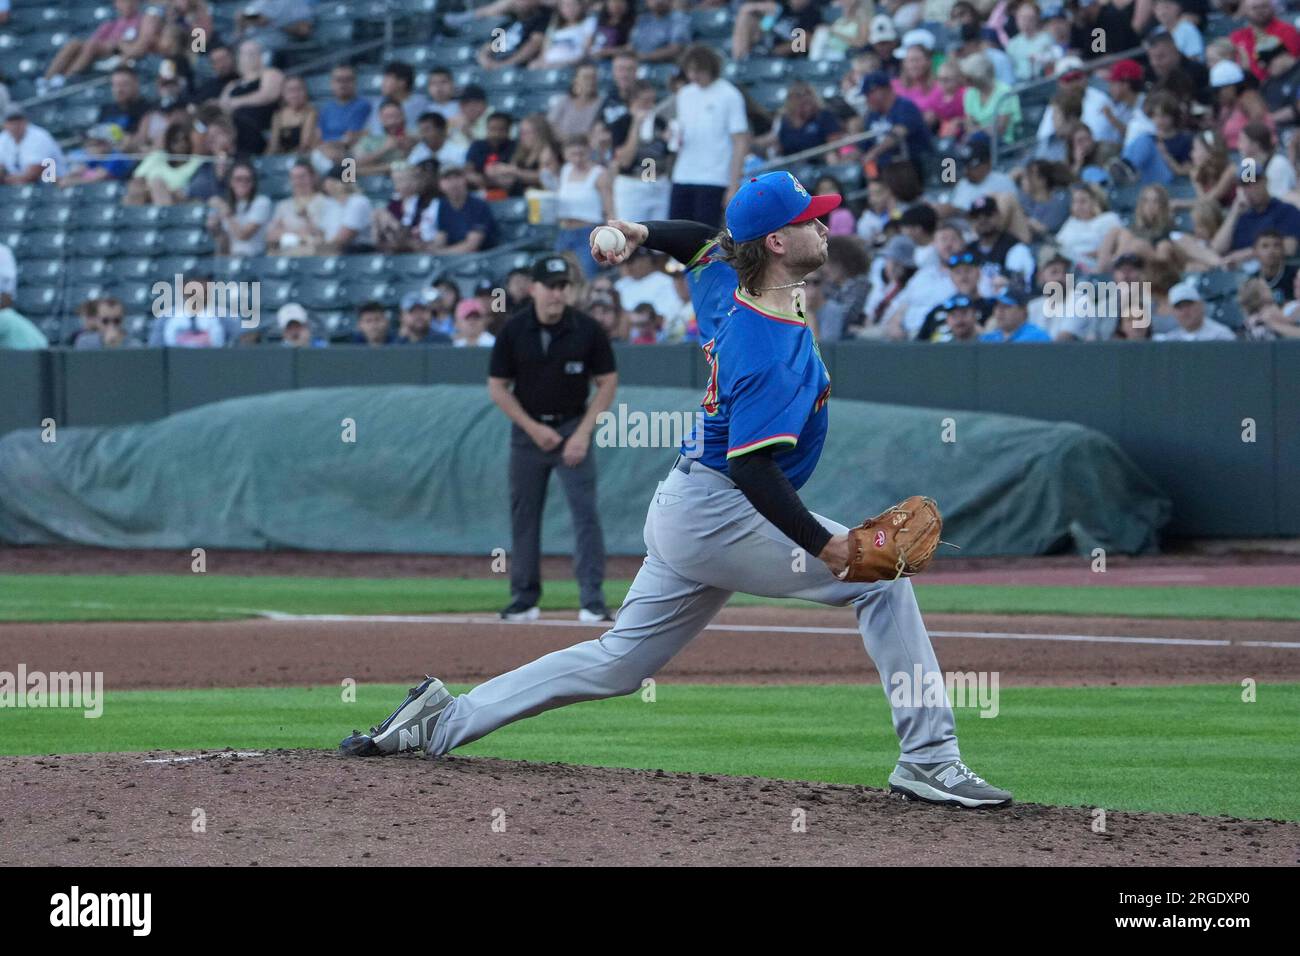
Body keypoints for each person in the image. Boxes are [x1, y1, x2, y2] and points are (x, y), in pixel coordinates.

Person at [337, 171, 1014, 815]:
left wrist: (638, 230)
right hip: (721, 508)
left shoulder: (737, 288)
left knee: (619, 663)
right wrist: (827, 544)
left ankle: (443, 720)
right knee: (880, 580)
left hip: (691, 505)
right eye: (811, 219)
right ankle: (929, 756)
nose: (825, 225)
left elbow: (696, 240)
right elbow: (755, 472)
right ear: (777, 242)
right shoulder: (762, 345)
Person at [482, 254, 618, 622]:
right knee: (524, 515)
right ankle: (524, 598)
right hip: (529, 434)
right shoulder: (513, 330)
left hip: (572, 427)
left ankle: (591, 599)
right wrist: (532, 428)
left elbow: (607, 383)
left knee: (585, 515)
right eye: (550, 286)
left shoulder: (587, 329)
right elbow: (497, 387)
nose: (557, 294)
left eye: (563, 287)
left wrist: (582, 434)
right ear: (533, 289)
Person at [668, 44, 750, 227]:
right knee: (676, 233)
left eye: (698, 71)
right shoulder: (684, 94)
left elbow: (740, 141)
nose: (693, 76)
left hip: (714, 177)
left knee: (705, 239)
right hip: (683, 174)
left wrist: (733, 184)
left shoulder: (729, 95)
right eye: (690, 71)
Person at [548, 136, 615, 279]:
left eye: (582, 154)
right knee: (560, 276)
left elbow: (610, 211)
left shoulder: (599, 174)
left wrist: (608, 243)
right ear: (565, 154)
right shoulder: (565, 171)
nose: (578, 159)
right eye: (573, 154)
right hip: (565, 231)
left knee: (587, 276)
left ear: (589, 152)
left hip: (588, 233)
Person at [220, 39, 285, 155]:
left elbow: (268, 95)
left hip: (259, 124)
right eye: (244, 53)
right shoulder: (232, 85)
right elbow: (223, 105)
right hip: (233, 127)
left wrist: (237, 102)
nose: (248, 57)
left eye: (252, 53)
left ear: (261, 56)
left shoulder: (271, 74)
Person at [1212, 176, 1300, 262]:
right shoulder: (1240, 216)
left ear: (1265, 181)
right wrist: (1234, 212)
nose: (1251, 189)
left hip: (1273, 272)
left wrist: (1249, 253)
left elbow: (1289, 249)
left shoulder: (1286, 210)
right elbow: (1216, 250)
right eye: (1246, 185)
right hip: (1239, 273)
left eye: (1254, 183)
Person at [418, 166, 498, 255]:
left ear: (465, 180)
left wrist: (440, 253)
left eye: (457, 177)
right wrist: (428, 248)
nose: (453, 183)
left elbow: (472, 245)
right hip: (455, 259)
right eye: (447, 178)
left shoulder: (479, 205)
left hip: (483, 258)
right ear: (440, 184)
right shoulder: (443, 205)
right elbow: (442, 236)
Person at [124, 119, 203, 206]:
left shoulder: (196, 162)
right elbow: (137, 179)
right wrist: (149, 191)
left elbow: (186, 192)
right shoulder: (157, 156)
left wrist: (159, 189)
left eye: (185, 139)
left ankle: (164, 217)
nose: (182, 144)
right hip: (146, 196)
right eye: (176, 140)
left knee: (157, 183)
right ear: (169, 142)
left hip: (177, 201)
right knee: (135, 189)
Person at [208, 161, 274, 256]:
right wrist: (215, 227)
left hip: (253, 258)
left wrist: (227, 214)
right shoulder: (227, 204)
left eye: (248, 179)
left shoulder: (262, 202)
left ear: (253, 183)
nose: (243, 183)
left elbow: (243, 235)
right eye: (238, 179)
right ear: (231, 182)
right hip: (229, 257)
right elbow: (223, 241)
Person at [0, 106, 67, 184]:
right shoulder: (4, 138)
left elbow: (32, 175)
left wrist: (4, 181)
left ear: (25, 121)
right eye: (11, 121)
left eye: (18, 120)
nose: (15, 125)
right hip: (21, 186)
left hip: (53, 184)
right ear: (4, 124)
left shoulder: (39, 137)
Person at [1155, 282, 1235, 340]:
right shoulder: (1170, 340)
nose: (1185, 311)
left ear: (1201, 305)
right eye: (1179, 307)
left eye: (1188, 305)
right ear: (1173, 312)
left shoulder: (1221, 336)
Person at [531, 0, 596, 68]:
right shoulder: (553, 27)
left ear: (580, 6)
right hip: (549, 65)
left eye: (573, 5)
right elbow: (544, 53)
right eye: (565, 5)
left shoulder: (588, 22)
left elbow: (586, 52)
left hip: (572, 65)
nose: (570, 8)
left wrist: (566, 64)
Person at [547, 63, 603, 140]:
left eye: (593, 77)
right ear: (575, 80)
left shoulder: (602, 104)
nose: (590, 81)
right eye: (586, 78)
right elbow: (551, 125)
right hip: (563, 145)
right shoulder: (564, 101)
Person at [267, 75, 318, 155]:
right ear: (283, 94)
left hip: (303, 156)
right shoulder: (278, 115)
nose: (295, 94)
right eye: (290, 90)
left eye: (299, 89)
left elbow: (305, 144)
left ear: (305, 91)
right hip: (282, 157)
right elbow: (273, 145)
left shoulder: (311, 112)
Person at [980, 288, 1051, 341]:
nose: (999, 311)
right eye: (997, 306)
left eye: (1006, 306)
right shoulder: (988, 339)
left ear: (1023, 311)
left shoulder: (1037, 338)